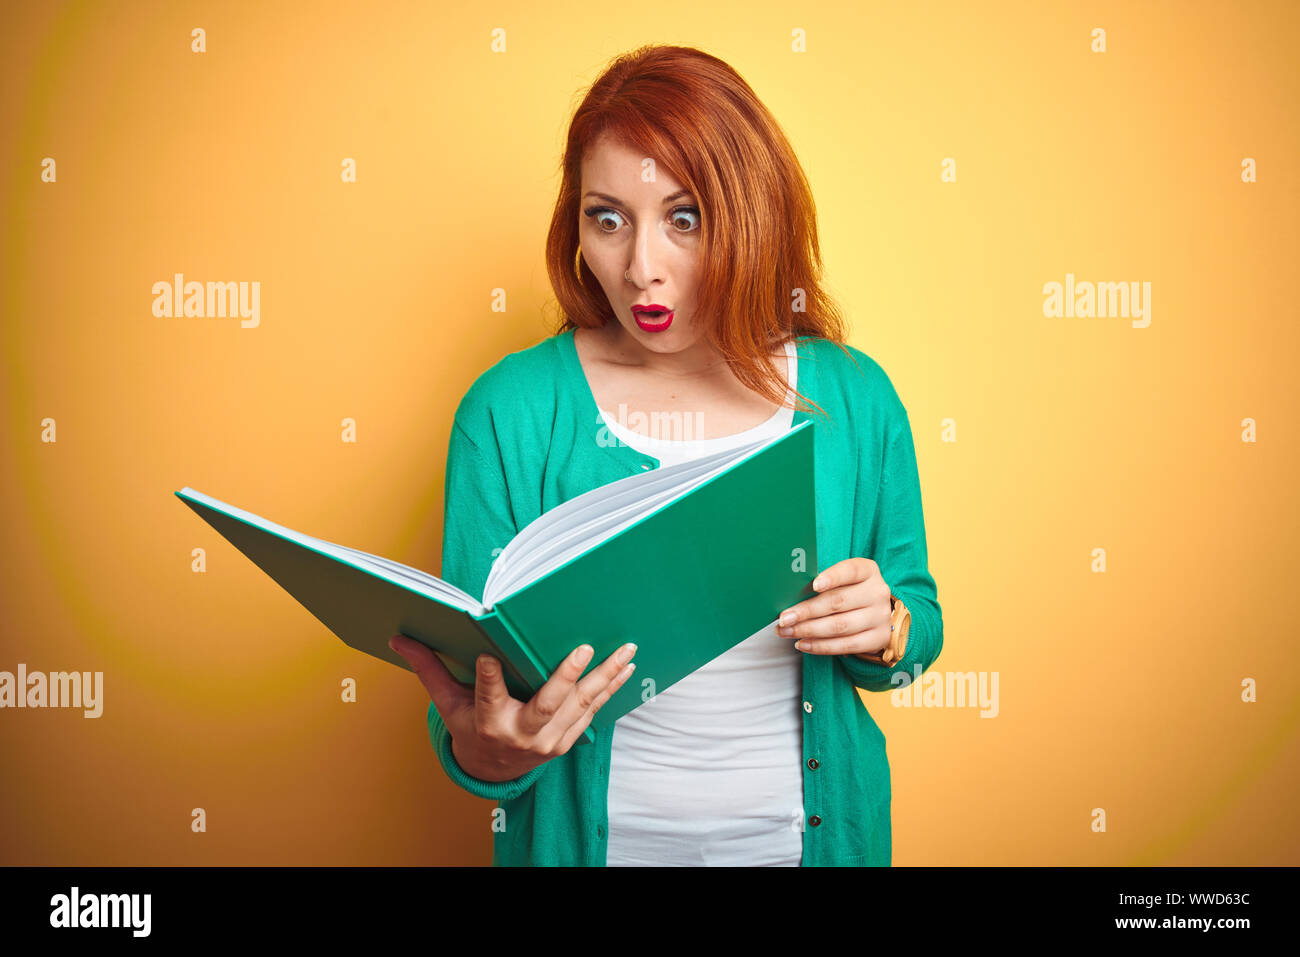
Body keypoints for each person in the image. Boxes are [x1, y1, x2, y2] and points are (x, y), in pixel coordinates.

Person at [389, 44, 943, 866]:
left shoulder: (856, 398)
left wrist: (888, 630)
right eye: (607, 218)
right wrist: (492, 750)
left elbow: (916, 631)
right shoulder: (506, 414)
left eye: (683, 217)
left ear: (751, 213)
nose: (641, 268)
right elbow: (475, 729)